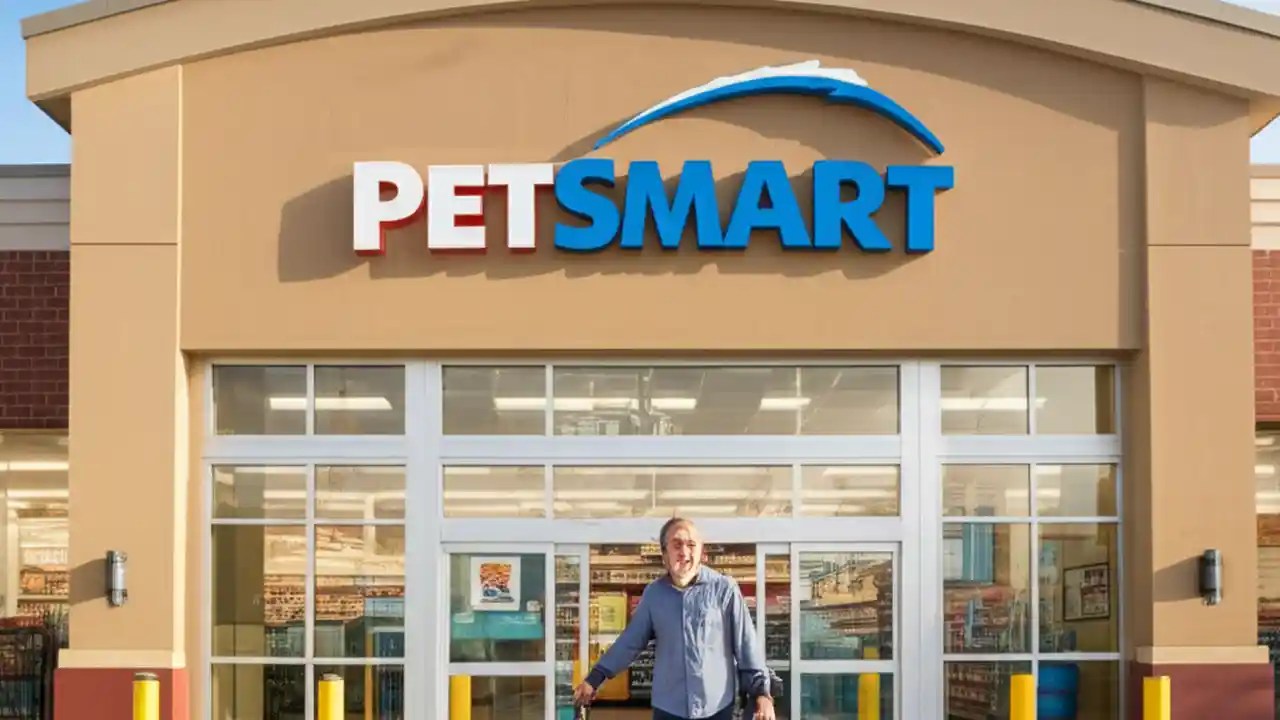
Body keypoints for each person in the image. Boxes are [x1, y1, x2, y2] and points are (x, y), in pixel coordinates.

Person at [573, 518, 776, 720]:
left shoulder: (724, 589)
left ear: (701, 553)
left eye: (691, 545)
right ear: (664, 554)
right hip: (668, 708)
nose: (684, 552)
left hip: (716, 708)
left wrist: (762, 693)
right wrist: (595, 678)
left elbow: (746, 644)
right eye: (677, 545)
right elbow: (630, 642)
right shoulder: (654, 594)